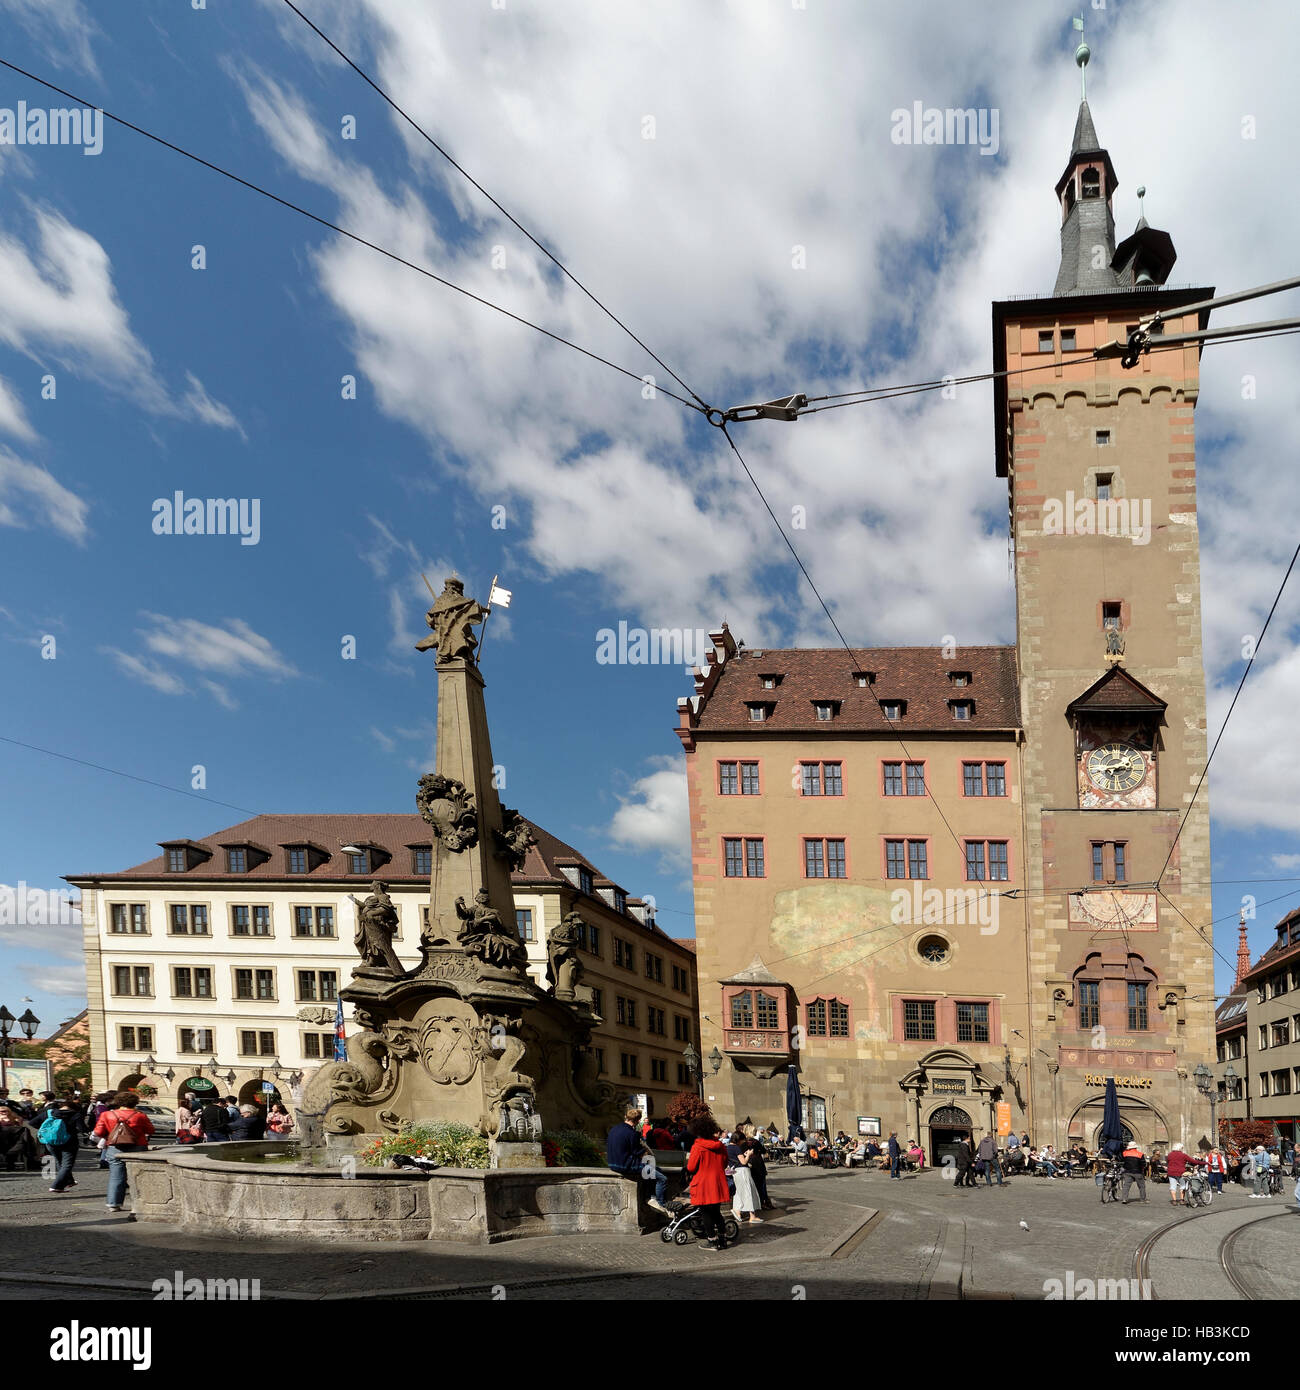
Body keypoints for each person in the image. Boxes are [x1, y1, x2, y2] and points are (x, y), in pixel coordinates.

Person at [92, 1093, 154, 1212]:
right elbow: (150, 1130)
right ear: (135, 1103)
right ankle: (144, 1202)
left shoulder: (107, 1115)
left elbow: (98, 1132)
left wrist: (110, 1133)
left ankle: (113, 1203)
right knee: (139, 1175)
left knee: (116, 1176)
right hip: (137, 1147)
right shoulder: (140, 1115)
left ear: (118, 1102)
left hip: (115, 1147)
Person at [605, 1107, 670, 1215]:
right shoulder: (632, 1133)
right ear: (638, 1120)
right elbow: (638, 1153)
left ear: (626, 1117)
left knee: (651, 1168)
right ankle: (660, 1204)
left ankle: (649, 1196)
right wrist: (647, 1152)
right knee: (662, 1178)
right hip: (625, 1165)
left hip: (612, 1163)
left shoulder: (614, 1129)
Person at [685, 1117, 732, 1251]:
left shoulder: (698, 1146)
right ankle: (722, 1240)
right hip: (717, 1182)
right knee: (717, 1212)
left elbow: (691, 1167)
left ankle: (712, 1240)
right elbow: (724, 1164)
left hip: (703, 1183)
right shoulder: (721, 1146)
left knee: (706, 1213)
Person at [40, 1093, 83, 1193]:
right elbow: (82, 1128)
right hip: (69, 1141)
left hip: (51, 1141)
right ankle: (56, 1185)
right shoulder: (76, 1115)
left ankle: (68, 1181)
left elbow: (32, 1122)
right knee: (67, 1164)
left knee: (60, 1162)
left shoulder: (50, 1113)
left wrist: (50, 1132)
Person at [731, 1136, 763, 1225]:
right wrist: (748, 1154)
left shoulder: (727, 1147)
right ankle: (752, 1216)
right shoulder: (736, 1148)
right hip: (743, 1171)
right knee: (749, 1192)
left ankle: (737, 1211)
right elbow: (744, 1162)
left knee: (738, 1192)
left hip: (734, 1171)